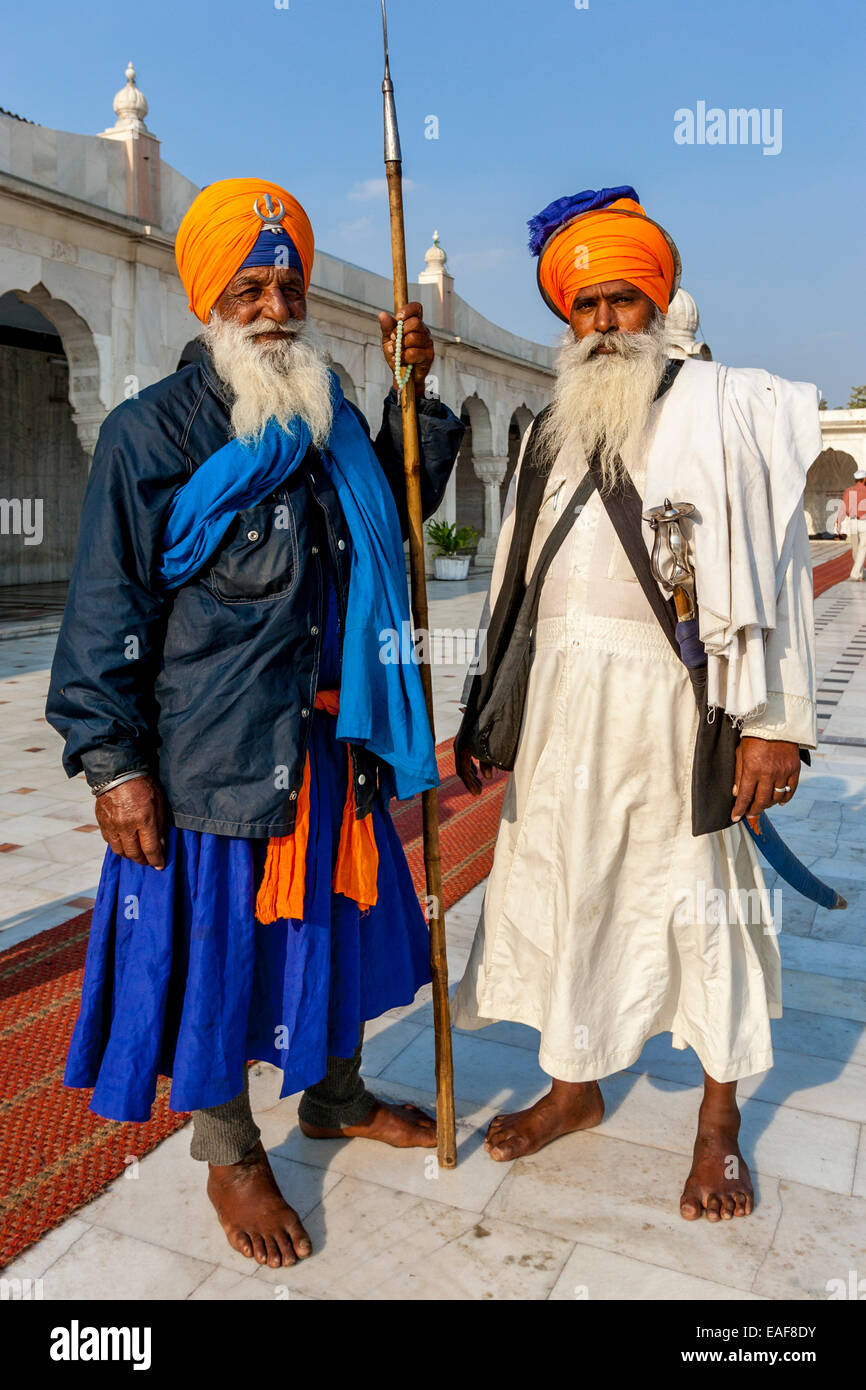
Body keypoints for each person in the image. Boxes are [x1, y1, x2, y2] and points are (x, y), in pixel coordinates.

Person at [46, 177, 464, 1268]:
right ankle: (230, 1150)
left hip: (328, 744)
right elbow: (106, 606)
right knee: (215, 954)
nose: (274, 306)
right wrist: (110, 763)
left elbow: (392, 511)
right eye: (250, 288)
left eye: (288, 286)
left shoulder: (325, 417)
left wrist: (412, 398)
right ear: (209, 300)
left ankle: (332, 1095)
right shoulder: (152, 432)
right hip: (209, 758)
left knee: (321, 928)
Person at [453, 185, 820, 1222]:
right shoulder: (548, 426)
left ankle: (716, 1125)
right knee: (572, 895)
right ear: (564, 320)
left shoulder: (724, 408)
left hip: (682, 711)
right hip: (564, 705)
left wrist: (774, 724)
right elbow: (510, 576)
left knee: (700, 911)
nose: (602, 323)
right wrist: (489, 703)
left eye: (619, 301)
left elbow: (778, 566)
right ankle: (573, 1086)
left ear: (654, 306)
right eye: (584, 306)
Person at [835, 468, 866, 580]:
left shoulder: (848, 491)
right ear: (864, 479)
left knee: (856, 548)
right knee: (863, 547)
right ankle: (855, 573)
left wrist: (839, 522)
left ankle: (860, 574)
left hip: (852, 522)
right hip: (864, 522)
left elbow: (843, 508)